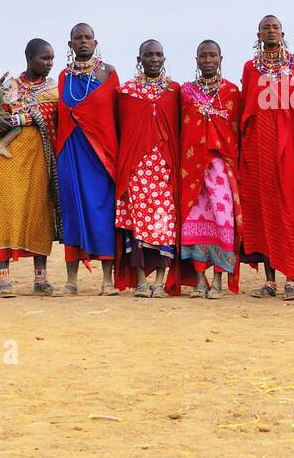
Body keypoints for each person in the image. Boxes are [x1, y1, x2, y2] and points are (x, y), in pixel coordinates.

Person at [0, 39, 61, 297]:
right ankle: (4, 279)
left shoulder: (53, 89)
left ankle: (41, 279)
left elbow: (53, 117)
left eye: (51, 59)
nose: (49, 64)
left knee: (39, 213)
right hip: (5, 157)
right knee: (4, 214)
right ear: (29, 58)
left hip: (38, 157)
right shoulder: (8, 85)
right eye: (44, 58)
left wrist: (20, 117)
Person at [238, 15, 294, 299]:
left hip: (290, 143)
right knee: (265, 209)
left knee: (290, 207)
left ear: (282, 33)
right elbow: (246, 106)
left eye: (275, 27)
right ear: (258, 34)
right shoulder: (250, 68)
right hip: (259, 145)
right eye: (266, 28)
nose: (271, 31)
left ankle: (292, 278)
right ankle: (270, 282)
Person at [114, 40, 181, 298]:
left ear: (164, 58)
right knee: (137, 227)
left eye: (158, 54)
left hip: (165, 170)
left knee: (165, 225)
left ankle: (160, 283)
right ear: (139, 58)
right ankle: (141, 282)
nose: (154, 59)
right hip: (136, 169)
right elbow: (122, 130)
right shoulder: (127, 92)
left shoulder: (174, 91)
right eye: (148, 55)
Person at [55, 24, 119, 296]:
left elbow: (118, 115)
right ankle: (71, 281)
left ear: (95, 42)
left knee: (103, 212)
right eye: (77, 38)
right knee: (73, 211)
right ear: (70, 44)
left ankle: (108, 280)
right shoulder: (63, 76)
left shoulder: (109, 73)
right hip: (70, 152)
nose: (83, 42)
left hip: (102, 155)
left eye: (87, 38)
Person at [179, 40, 243, 298]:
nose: (207, 60)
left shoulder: (231, 92)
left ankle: (217, 280)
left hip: (221, 168)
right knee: (193, 222)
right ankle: (199, 279)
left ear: (220, 59)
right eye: (203, 56)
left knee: (221, 221)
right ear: (196, 60)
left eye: (212, 55)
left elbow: (235, 131)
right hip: (192, 169)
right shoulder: (185, 92)